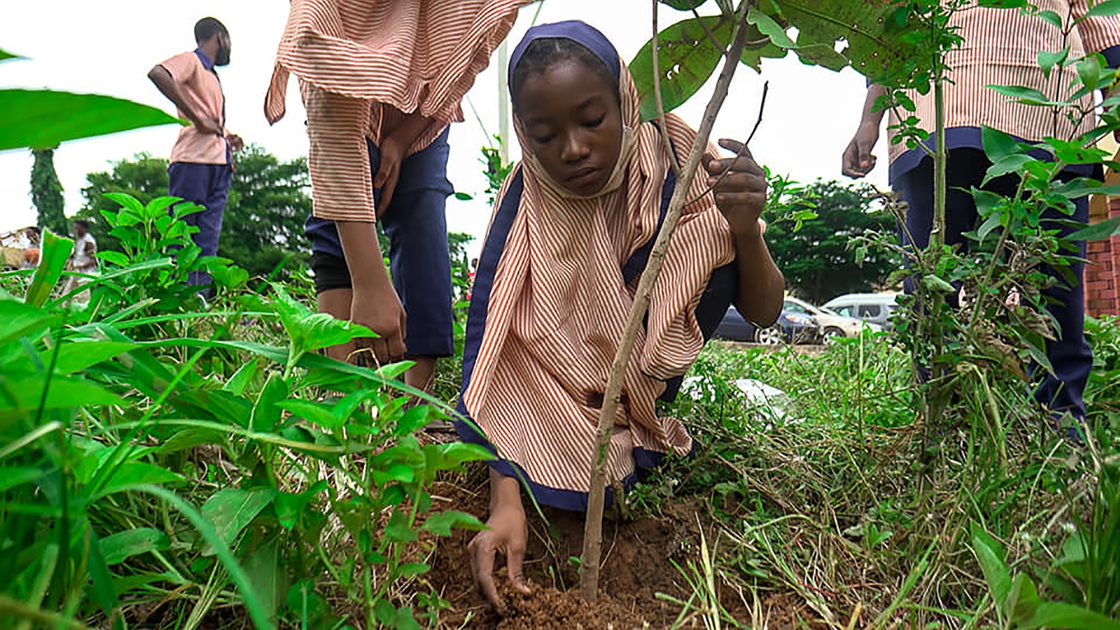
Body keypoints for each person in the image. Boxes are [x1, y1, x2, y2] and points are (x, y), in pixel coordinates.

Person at [457, 21, 785, 609]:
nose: (573, 149)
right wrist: (504, 502)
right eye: (545, 134)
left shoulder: (683, 166)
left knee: (709, 231)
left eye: (591, 120)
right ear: (526, 137)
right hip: (556, 390)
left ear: (626, 102)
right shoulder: (525, 203)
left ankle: (641, 412)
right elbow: (502, 365)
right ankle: (579, 435)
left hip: (644, 369)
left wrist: (744, 229)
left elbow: (765, 310)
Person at [841, 2, 1120, 424]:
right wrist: (869, 119)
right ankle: (943, 426)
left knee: (1053, 285)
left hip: (1046, 108)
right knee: (933, 288)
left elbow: (1100, 19)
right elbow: (892, 24)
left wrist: (1114, 98)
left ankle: (1059, 426)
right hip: (936, 111)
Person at [265, 0, 524, 393]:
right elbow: (337, 151)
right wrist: (370, 283)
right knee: (338, 223)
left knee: (423, 216)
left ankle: (419, 401)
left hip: (422, 108)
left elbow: (455, 64)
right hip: (341, 87)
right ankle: (339, 393)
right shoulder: (318, 19)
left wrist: (402, 139)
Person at [148, 17, 243, 287]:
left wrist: (226, 135)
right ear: (220, 37)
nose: (229, 47)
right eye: (228, 41)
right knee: (181, 232)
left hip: (218, 163)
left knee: (207, 240)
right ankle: (174, 297)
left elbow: (208, 116)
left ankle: (199, 299)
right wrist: (198, 120)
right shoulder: (192, 61)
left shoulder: (211, 75)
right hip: (193, 161)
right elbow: (158, 73)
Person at [64, 220, 98, 301]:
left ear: (84, 228)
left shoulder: (88, 241)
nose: (75, 231)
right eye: (74, 228)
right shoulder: (79, 241)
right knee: (68, 294)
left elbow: (94, 261)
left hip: (86, 273)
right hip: (77, 272)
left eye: (77, 228)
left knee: (83, 296)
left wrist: (79, 266)